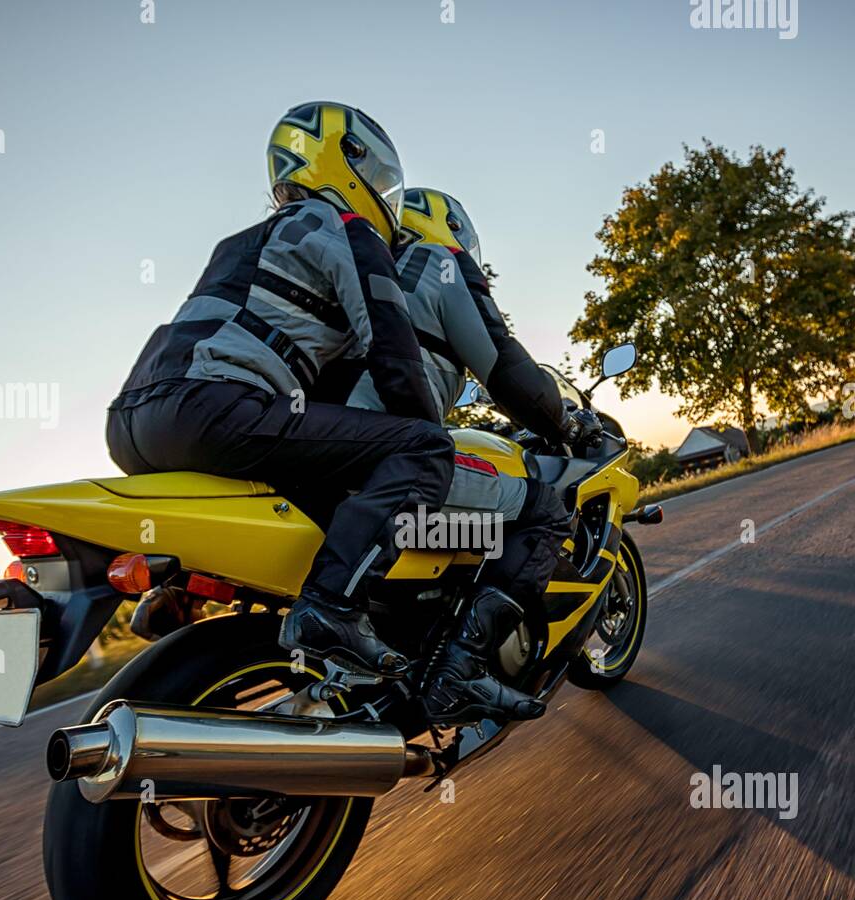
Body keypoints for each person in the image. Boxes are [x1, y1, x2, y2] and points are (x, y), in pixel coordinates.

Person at [105, 103, 453, 678]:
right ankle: (331, 609)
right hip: (213, 408)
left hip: (132, 423)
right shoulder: (347, 227)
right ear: (347, 163)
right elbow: (395, 356)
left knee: (307, 476)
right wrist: (432, 444)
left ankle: (187, 590)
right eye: (384, 185)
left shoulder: (241, 243)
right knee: (420, 448)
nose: (385, 201)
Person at [331, 188, 605, 724]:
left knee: (456, 522)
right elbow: (506, 371)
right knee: (539, 514)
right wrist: (564, 421)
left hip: (322, 456)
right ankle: (457, 676)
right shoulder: (440, 263)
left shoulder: (354, 264)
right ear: (452, 229)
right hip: (391, 466)